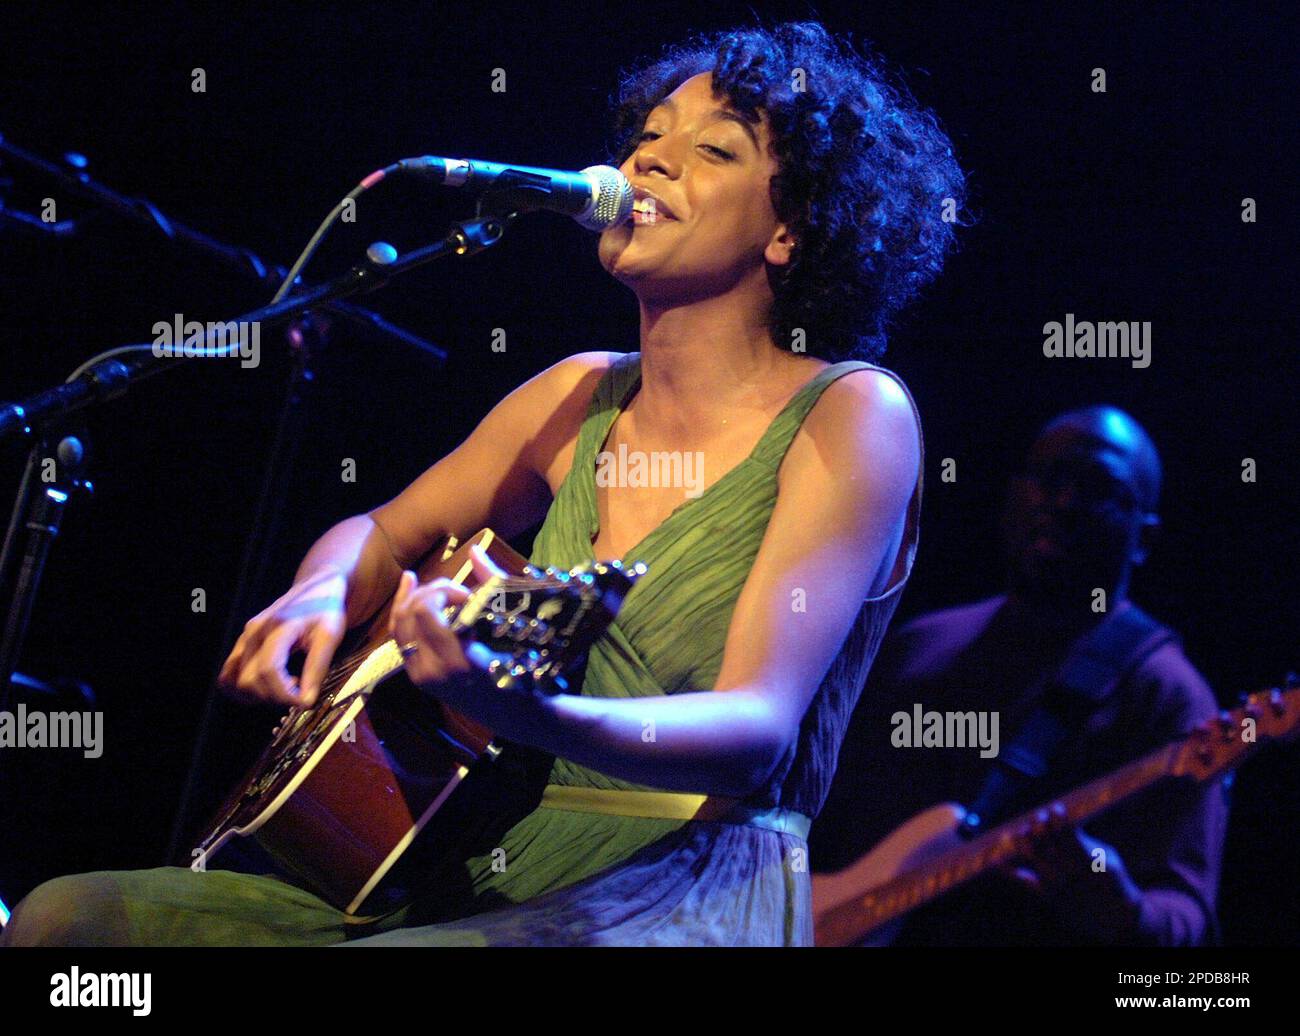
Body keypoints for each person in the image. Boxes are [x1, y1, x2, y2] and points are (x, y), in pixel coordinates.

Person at [1, 21, 966, 947]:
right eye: (647, 138)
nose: (649, 162)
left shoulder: (853, 414)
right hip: (468, 852)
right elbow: (378, 534)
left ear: (793, 228)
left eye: (713, 152)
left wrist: (530, 714)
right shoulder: (575, 392)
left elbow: (755, 730)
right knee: (65, 924)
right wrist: (322, 592)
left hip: (684, 886)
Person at [810, 406, 1229, 945]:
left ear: (1143, 538)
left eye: (1097, 487)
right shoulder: (917, 646)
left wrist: (1120, 909)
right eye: (1048, 478)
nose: (1064, 502)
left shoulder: (1168, 696)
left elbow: (1192, 924)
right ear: (1012, 496)